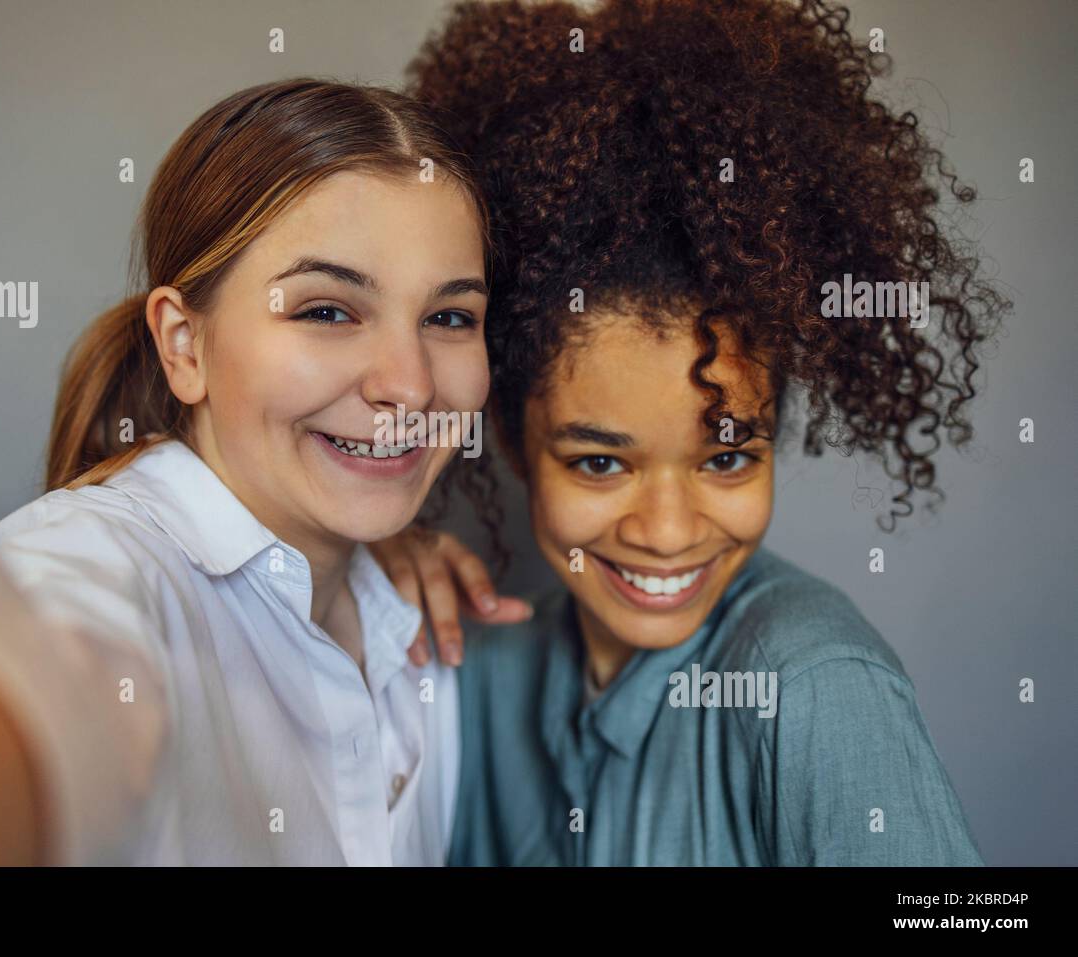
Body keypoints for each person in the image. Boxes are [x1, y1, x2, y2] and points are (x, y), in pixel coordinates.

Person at [0, 77, 493, 866]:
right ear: (184, 344)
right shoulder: (108, 574)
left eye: (450, 316)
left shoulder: (417, 622)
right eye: (326, 310)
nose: (411, 383)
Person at [372, 0, 1007, 864]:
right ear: (514, 442)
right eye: (600, 460)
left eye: (729, 455)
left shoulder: (815, 688)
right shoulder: (480, 672)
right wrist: (355, 571)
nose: (668, 531)